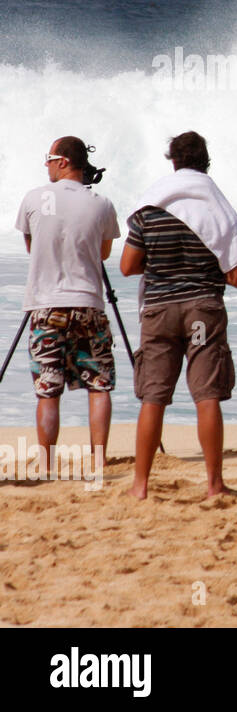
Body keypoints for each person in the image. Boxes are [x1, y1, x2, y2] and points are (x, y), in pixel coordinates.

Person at [123, 132, 237, 498]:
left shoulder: (150, 206)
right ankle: (214, 485)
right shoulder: (218, 207)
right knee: (206, 395)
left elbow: (128, 266)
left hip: (159, 311)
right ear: (205, 161)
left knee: (154, 397)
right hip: (202, 311)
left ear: (173, 161)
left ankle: (140, 485)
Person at [14, 137, 120, 475]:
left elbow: (33, 246)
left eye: (48, 159)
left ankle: (46, 462)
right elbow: (103, 254)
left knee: (48, 389)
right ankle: (99, 460)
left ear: (62, 161)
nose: (45, 165)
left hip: (45, 305)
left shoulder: (33, 198)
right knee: (98, 384)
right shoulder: (101, 203)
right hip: (88, 302)